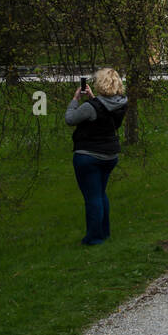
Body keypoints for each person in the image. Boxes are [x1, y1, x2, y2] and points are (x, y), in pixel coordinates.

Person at [65, 68, 129, 245]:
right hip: (110, 155)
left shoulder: (89, 107)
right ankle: (104, 232)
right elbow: (104, 114)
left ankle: (94, 238)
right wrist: (93, 98)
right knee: (100, 194)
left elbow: (70, 119)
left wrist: (75, 99)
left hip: (89, 155)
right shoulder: (122, 103)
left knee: (92, 197)